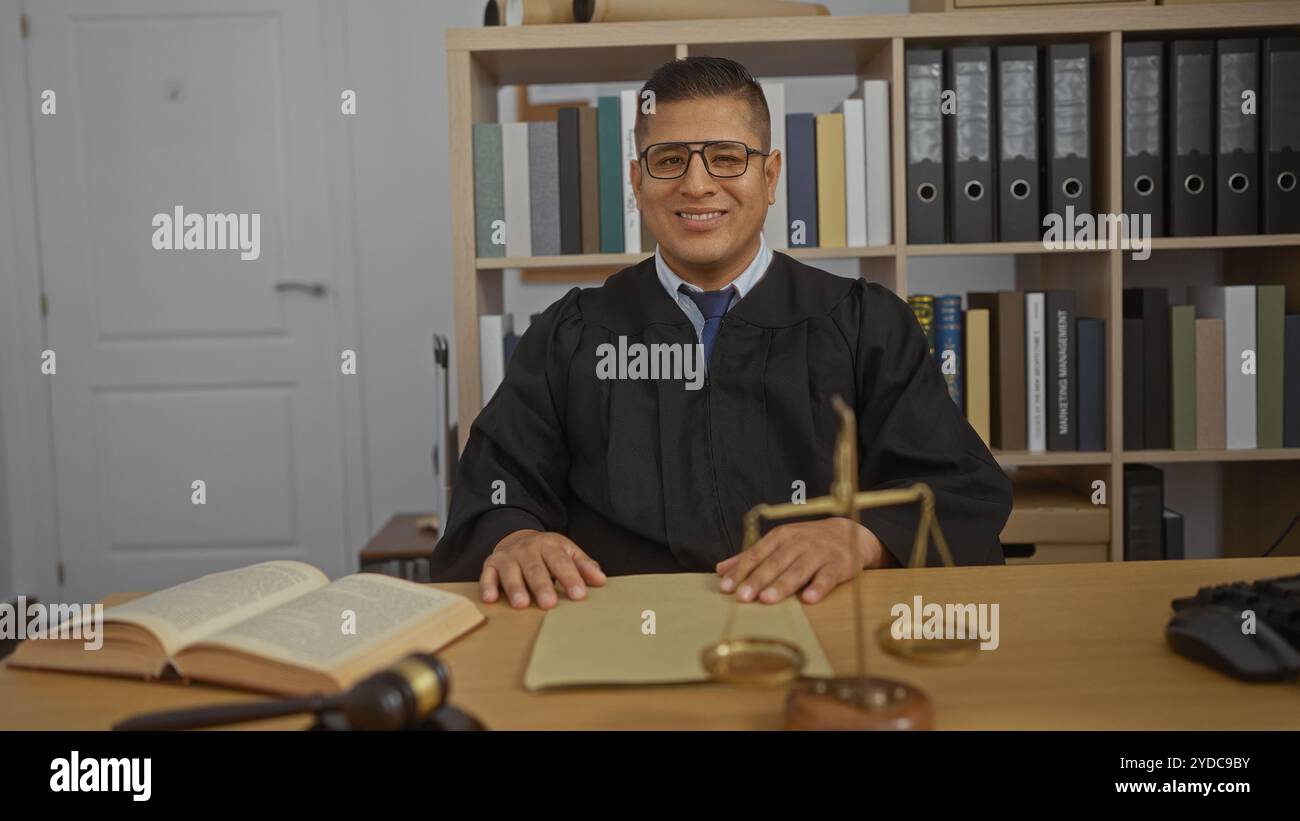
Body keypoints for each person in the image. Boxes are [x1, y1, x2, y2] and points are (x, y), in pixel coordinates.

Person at [431, 56, 1011, 609]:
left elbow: (955, 484)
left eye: (727, 158)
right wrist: (514, 541)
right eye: (669, 160)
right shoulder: (573, 334)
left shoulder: (863, 323)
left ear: (771, 174)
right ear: (637, 181)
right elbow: (496, 489)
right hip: (620, 635)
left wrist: (861, 538)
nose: (698, 185)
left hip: (818, 626)